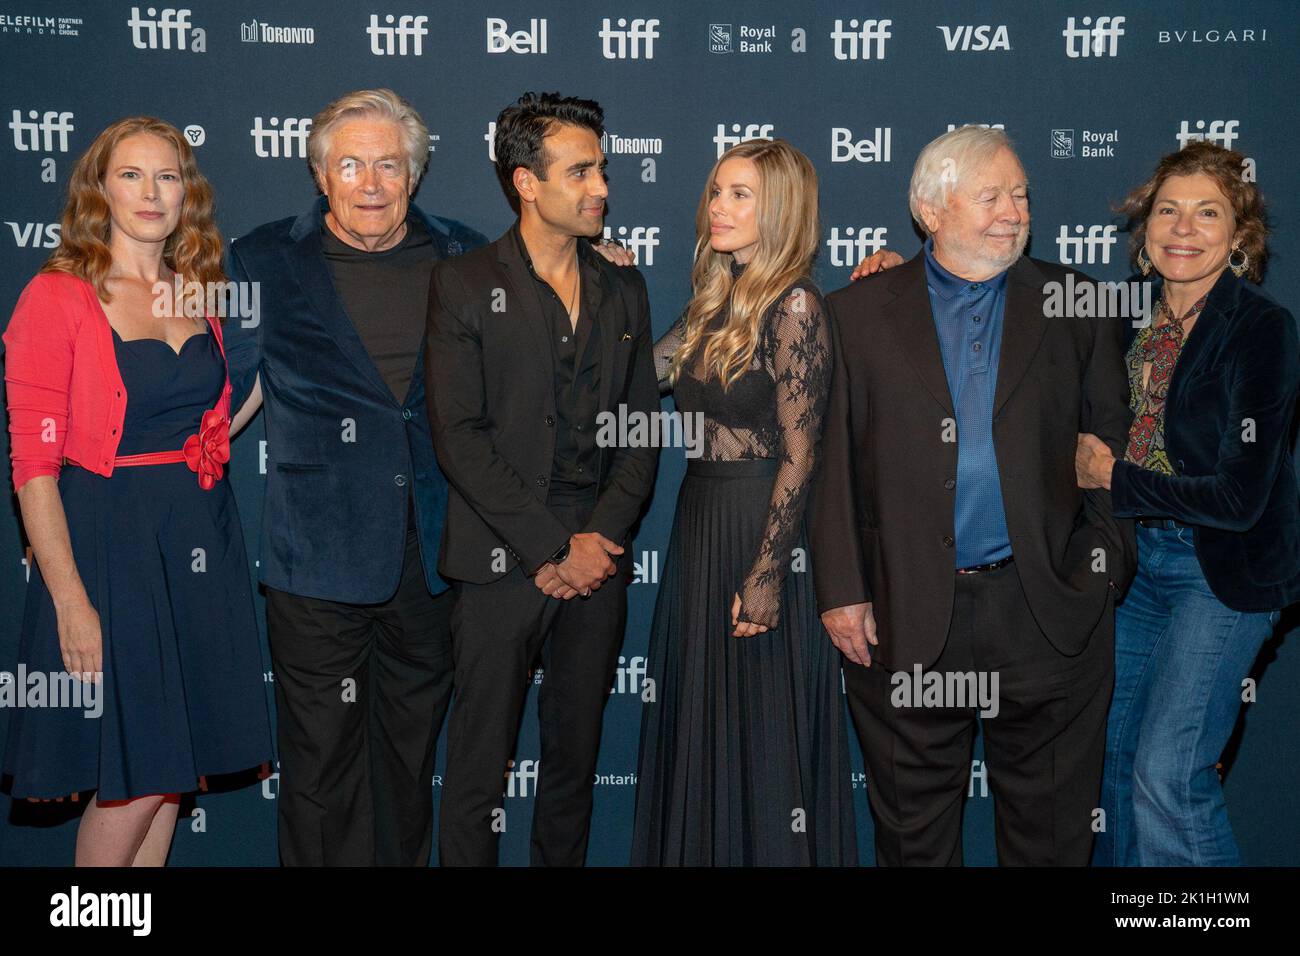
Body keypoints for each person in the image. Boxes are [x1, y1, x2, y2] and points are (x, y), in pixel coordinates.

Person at [811, 125, 1136, 865]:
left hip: (1048, 614)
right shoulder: (854, 316)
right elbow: (831, 467)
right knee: (913, 841)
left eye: (1020, 194)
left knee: (1051, 841)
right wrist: (842, 591)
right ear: (930, 210)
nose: (1013, 211)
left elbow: (1113, 446)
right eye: (990, 195)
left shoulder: (1077, 303)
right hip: (906, 617)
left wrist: (1102, 568)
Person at [222, 89, 488, 866]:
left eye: (388, 164)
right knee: (319, 770)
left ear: (415, 172)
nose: (371, 183)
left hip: (432, 560)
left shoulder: (465, 256)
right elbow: (223, 396)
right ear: (320, 174)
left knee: (406, 766)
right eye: (350, 164)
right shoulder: (262, 259)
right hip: (317, 560)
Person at [2, 117, 271, 865]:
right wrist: (69, 599)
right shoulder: (57, 297)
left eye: (168, 176)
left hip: (200, 540)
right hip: (110, 544)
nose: (151, 192)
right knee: (133, 779)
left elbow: (215, 413)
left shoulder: (200, 290)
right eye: (132, 175)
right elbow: (33, 467)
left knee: (166, 775)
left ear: (188, 193)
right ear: (99, 189)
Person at [426, 91, 659, 866]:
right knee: (476, 772)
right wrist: (552, 547)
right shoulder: (463, 284)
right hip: (503, 553)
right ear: (526, 182)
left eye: (602, 169)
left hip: (598, 553)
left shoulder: (624, 284)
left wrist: (598, 540)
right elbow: (459, 437)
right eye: (581, 171)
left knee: (573, 765)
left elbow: (641, 429)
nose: (601, 187)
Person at [629, 138, 859, 865]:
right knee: (699, 724)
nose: (717, 207)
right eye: (716, 191)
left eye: (739, 194)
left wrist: (766, 574)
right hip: (700, 526)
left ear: (781, 210)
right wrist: (600, 282)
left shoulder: (795, 305)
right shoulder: (714, 300)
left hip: (762, 534)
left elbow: (802, 453)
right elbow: (639, 374)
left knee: (761, 737)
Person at [1077, 142, 1300, 866]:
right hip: (1140, 567)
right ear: (1144, 229)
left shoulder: (1262, 330)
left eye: (1208, 214)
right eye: (1167, 211)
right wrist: (908, 273)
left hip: (1223, 571)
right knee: (1111, 760)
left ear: (1239, 236)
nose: (1183, 228)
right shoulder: (1122, 315)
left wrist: (1116, 479)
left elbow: (1239, 498)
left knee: (1169, 774)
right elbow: (1016, 298)